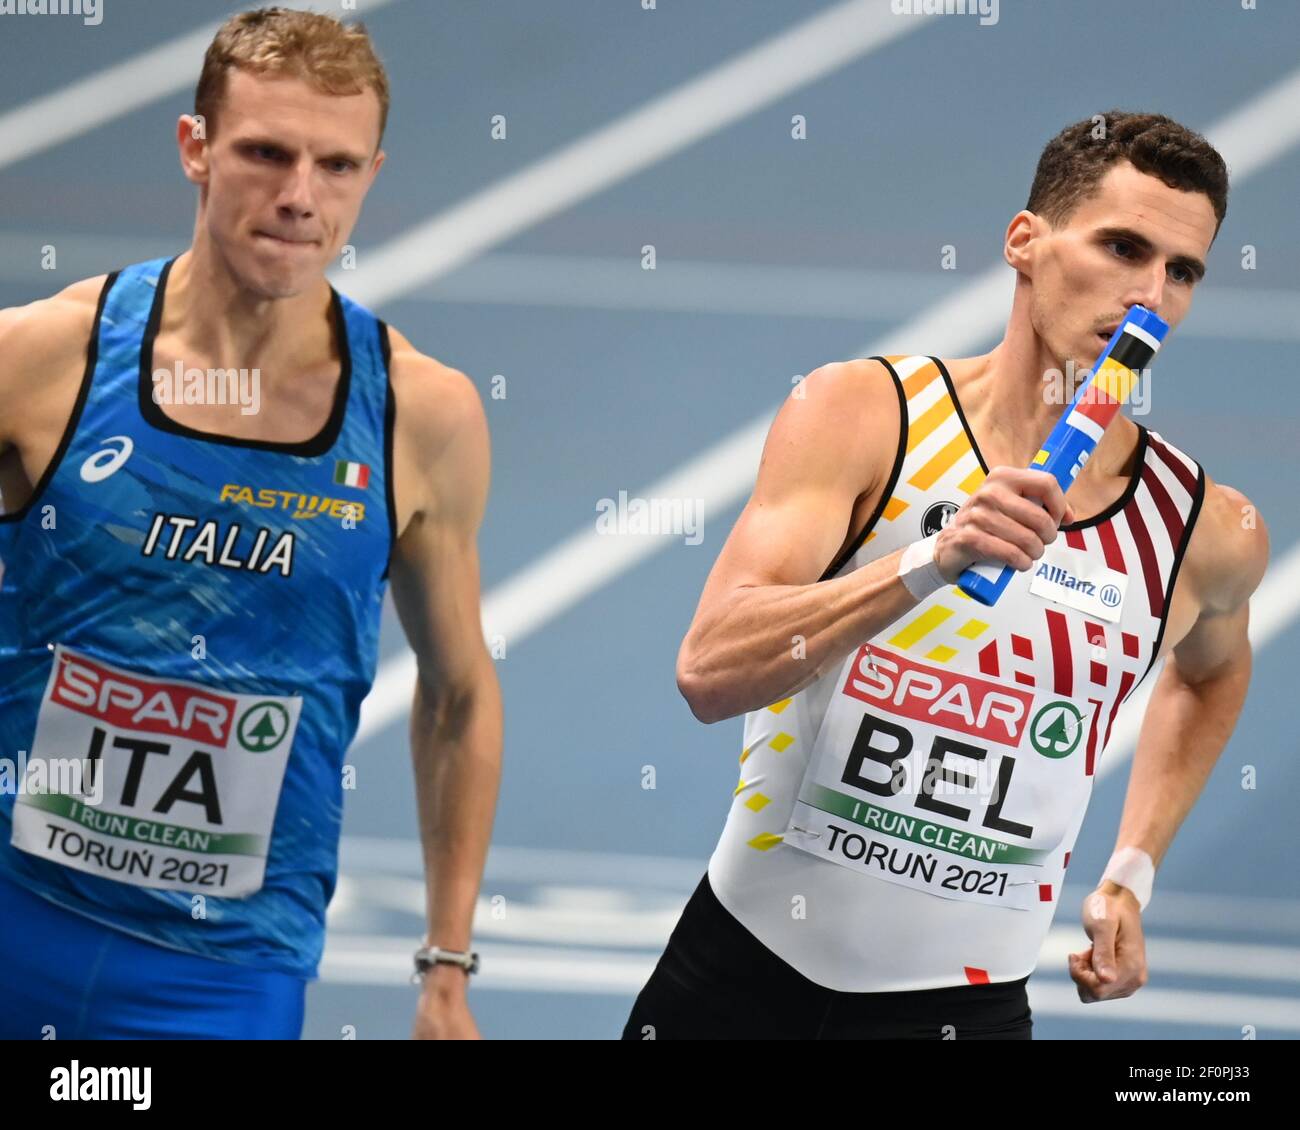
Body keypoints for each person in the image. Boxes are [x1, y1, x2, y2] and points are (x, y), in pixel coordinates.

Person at [625, 110, 1269, 1040]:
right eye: (1122, 247)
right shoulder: (862, 415)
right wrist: (928, 561)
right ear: (1025, 241)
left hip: (967, 1016)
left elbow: (1214, 671)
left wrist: (1134, 868)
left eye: (1182, 272)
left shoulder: (1203, 530)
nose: (1150, 298)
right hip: (741, 983)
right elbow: (711, 670)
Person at [0, 8, 501, 1040]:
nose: (298, 198)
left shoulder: (421, 411)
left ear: (372, 172)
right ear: (195, 149)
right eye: (266, 153)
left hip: (228, 963)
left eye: (337, 165)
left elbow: (456, 696)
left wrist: (444, 967)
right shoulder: (41, 360)